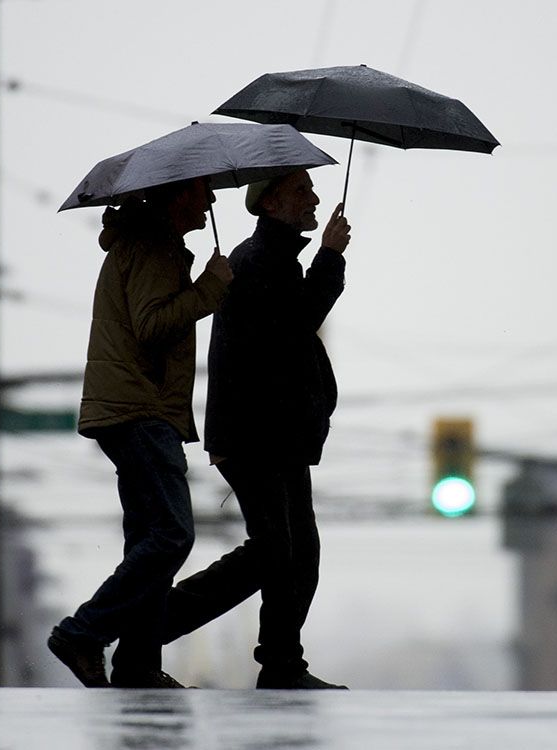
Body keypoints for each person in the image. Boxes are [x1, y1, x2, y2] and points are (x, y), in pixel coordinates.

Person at [159, 169, 351, 689]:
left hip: (277, 435)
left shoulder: (276, 257)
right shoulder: (258, 260)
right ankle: (150, 627)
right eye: (301, 190)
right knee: (274, 551)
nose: (314, 199)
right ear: (268, 202)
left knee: (294, 552)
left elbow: (292, 325)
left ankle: (281, 661)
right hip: (256, 436)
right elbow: (296, 323)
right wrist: (330, 255)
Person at [48, 177, 233, 688]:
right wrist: (211, 288)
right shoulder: (154, 246)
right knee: (174, 533)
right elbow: (152, 325)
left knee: (148, 540)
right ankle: (83, 633)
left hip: (134, 407)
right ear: (177, 196)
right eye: (203, 191)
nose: (212, 200)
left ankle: (138, 663)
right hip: (140, 409)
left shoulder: (153, 245)